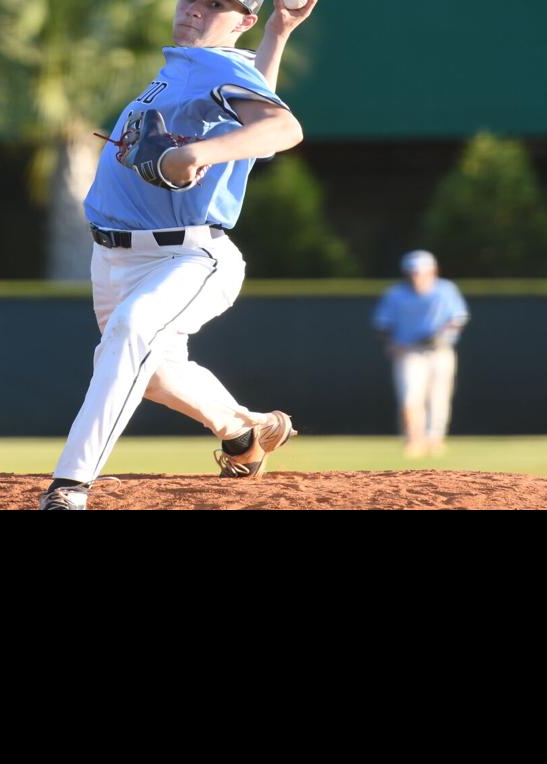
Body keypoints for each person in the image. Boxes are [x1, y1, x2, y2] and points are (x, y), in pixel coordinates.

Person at [40, 0, 317, 510]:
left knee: (130, 333)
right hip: (115, 260)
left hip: (190, 255)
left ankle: (70, 487)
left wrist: (197, 153)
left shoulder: (217, 64)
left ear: (242, 21)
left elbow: (283, 129)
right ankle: (243, 432)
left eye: (218, 4)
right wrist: (278, 34)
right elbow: (254, 107)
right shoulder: (190, 65)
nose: (195, 8)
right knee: (154, 373)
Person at [372, 250, 469, 458]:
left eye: (421, 272)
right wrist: (390, 344)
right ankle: (414, 439)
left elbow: (458, 318)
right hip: (409, 351)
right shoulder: (396, 294)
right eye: (413, 272)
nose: (417, 276)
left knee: (439, 397)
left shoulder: (445, 290)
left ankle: (435, 440)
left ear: (432, 271)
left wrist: (443, 336)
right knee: (409, 397)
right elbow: (382, 323)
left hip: (440, 351)